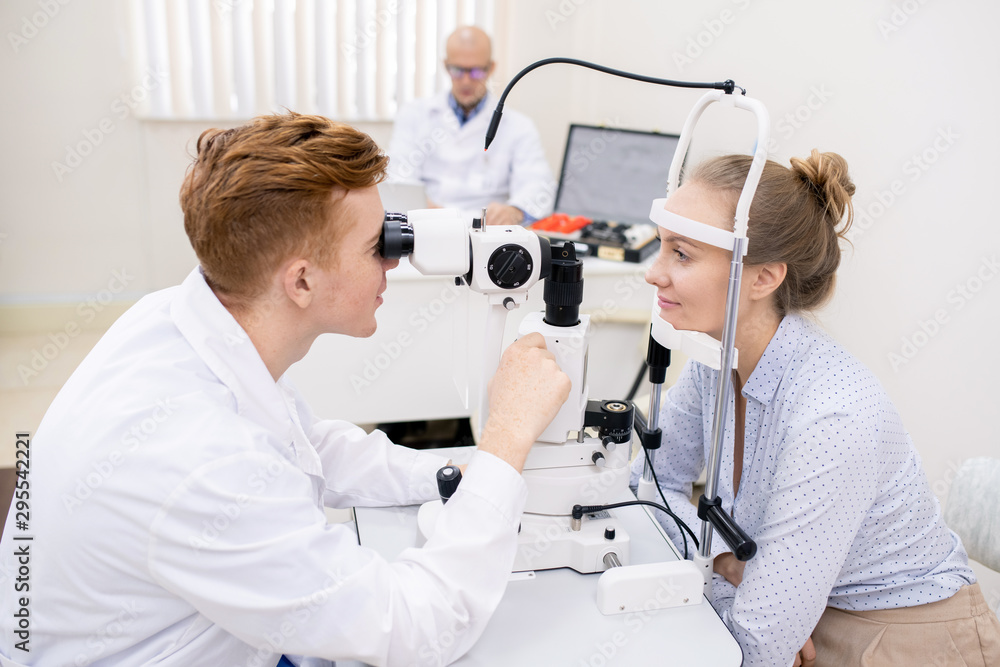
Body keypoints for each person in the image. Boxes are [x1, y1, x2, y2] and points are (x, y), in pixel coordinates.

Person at [0, 112, 570, 666]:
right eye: (380, 246)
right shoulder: (200, 462)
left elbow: (305, 445)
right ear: (301, 280)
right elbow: (416, 631)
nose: (395, 262)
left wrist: (452, 475)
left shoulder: (177, 317)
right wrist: (505, 441)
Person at [633, 150, 1000, 666]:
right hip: (801, 613)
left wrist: (761, 608)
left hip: (901, 637)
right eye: (662, 247)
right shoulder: (714, 362)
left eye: (683, 255)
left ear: (763, 278)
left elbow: (756, 647)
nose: (654, 275)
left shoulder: (832, 417)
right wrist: (723, 562)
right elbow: (647, 489)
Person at [386, 25, 555, 226]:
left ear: (490, 68)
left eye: (475, 72)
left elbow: (539, 186)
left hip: (487, 231)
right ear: (446, 66)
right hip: (426, 226)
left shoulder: (519, 126)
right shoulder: (414, 114)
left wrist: (515, 211)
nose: (466, 81)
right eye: (457, 70)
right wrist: (420, 207)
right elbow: (398, 178)